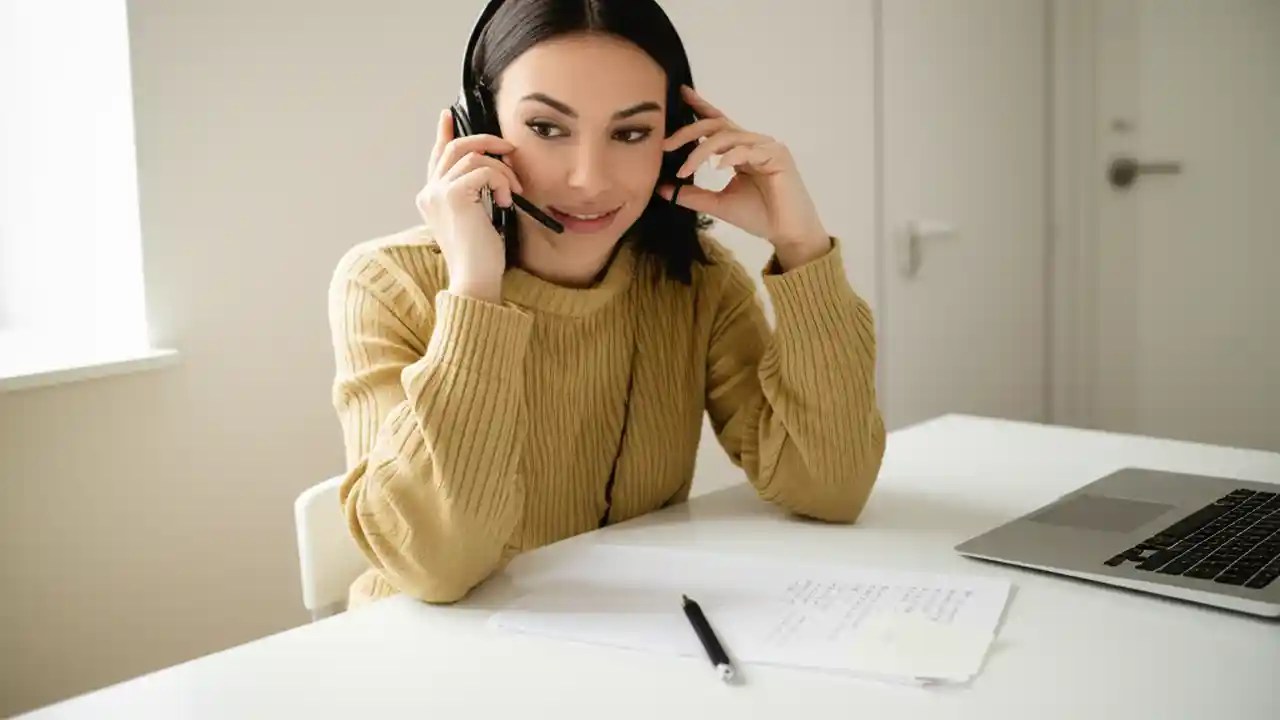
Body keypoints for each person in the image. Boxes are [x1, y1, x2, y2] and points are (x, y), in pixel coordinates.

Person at [328, 0, 886, 609]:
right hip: (428, 667)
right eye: (546, 128)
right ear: (477, 128)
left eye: (630, 133)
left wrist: (801, 244)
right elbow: (437, 567)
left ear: (672, 141)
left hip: (631, 651)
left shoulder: (699, 283)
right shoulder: (387, 284)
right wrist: (475, 294)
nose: (589, 180)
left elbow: (831, 488)